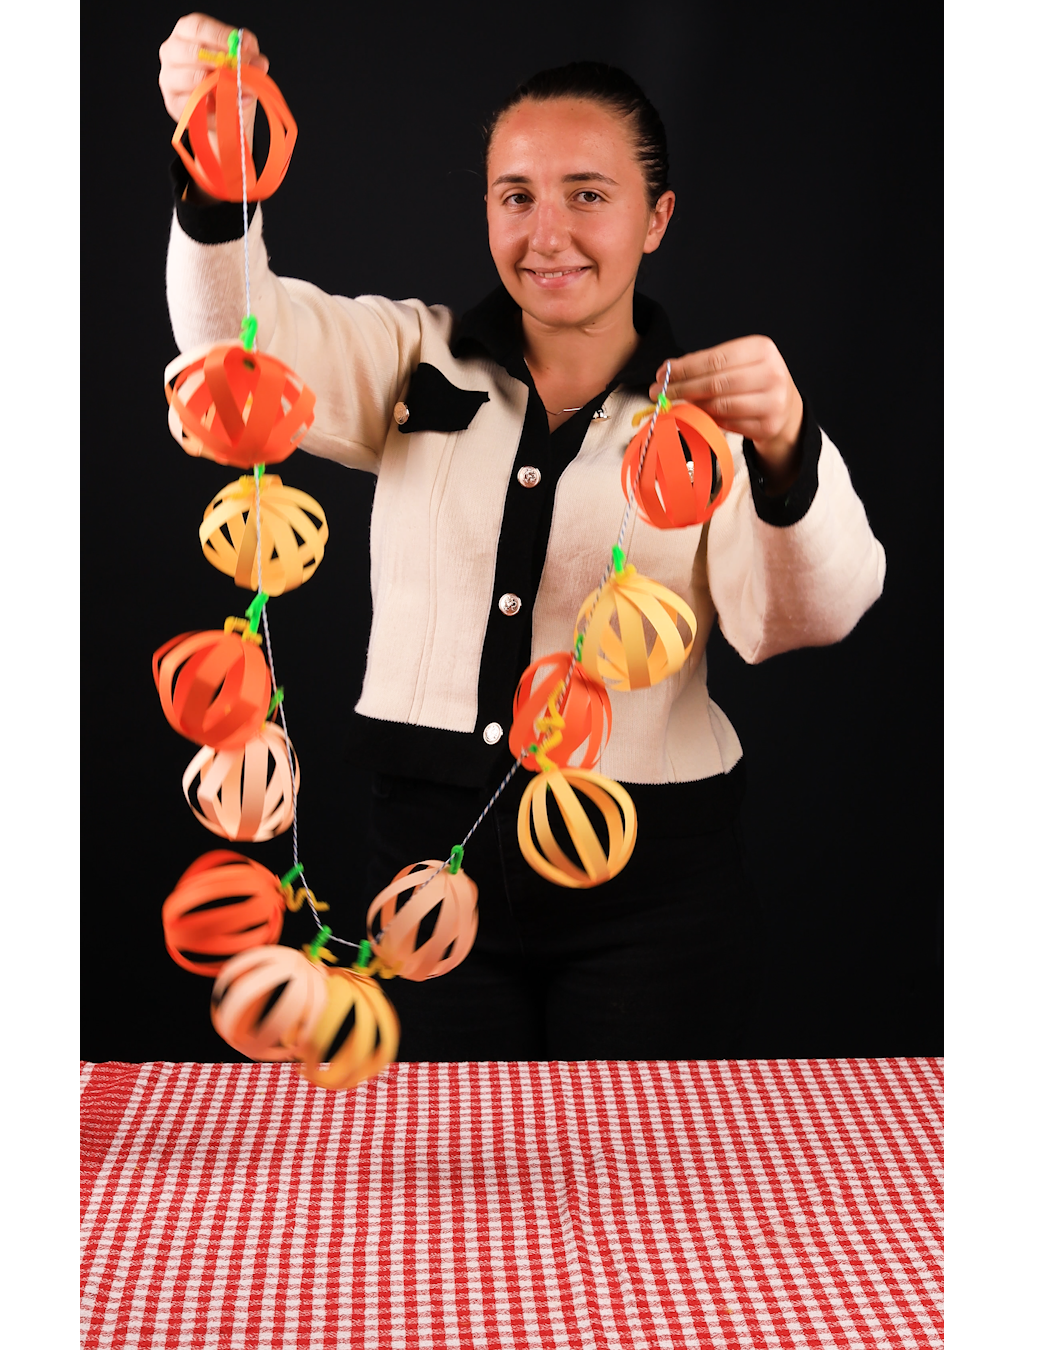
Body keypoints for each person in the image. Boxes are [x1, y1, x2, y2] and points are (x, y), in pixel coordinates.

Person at [159, 15, 886, 1062]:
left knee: (641, 1196)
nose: (547, 235)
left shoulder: (713, 415)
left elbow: (802, 619)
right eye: (517, 197)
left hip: (656, 890)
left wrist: (789, 448)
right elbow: (233, 348)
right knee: (441, 1201)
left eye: (588, 195)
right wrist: (213, 162)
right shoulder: (416, 355)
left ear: (657, 218)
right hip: (418, 869)